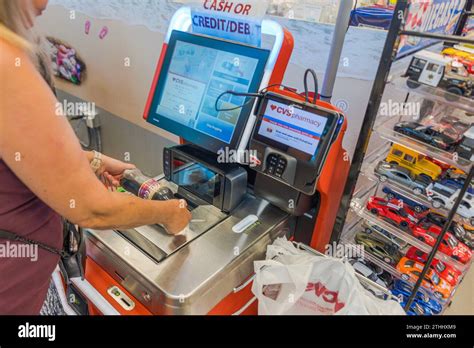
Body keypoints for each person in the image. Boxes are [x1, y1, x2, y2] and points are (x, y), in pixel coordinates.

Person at [0, 0, 192, 314]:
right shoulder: (7, 64)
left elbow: (24, 155)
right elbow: (94, 211)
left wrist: (93, 160)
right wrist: (171, 213)